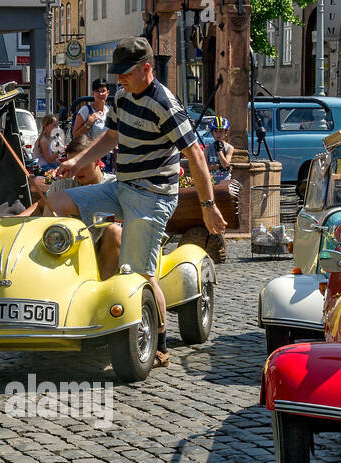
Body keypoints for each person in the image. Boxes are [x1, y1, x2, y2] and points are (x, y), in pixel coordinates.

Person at [51, 38, 225, 368]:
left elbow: (196, 155)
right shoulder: (122, 94)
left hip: (152, 196)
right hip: (122, 186)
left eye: (125, 73)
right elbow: (112, 137)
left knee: (141, 275)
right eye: (118, 74)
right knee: (57, 199)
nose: (119, 80)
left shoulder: (165, 104)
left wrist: (207, 204)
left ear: (147, 69)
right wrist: (77, 162)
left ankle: (158, 344)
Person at [33, 134, 121, 279]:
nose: (77, 170)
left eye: (82, 163)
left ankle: (103, 290)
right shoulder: (62, 185)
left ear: (97, 160)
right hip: (67, 250)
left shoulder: (113, 187)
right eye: (73, 164)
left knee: (114, 231)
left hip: (103, 252)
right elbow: (41, 206)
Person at [72, 77, 114, 170]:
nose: (101, 94)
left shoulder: (110, 111)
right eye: (97, 91)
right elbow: (75, 136)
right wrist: (88, 123)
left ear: (108, 93)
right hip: (91, 157)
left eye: (103, 91)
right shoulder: (85, 110)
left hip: (108, 158)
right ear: (93, 93)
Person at [206, 116, 234, 185]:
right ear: (212, 133)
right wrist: (218, 166)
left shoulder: (229, 148)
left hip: (224, 181)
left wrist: (219, 150)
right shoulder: (207, 149)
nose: (218, 134)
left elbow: (225, 164)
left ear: (226, 132)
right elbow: (205, 168)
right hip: (211, 181)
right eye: (216, 131)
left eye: (221, 131)